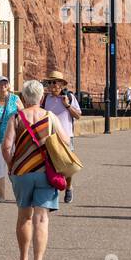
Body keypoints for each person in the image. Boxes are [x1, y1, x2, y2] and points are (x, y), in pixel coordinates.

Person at [1, 79, 69, 260]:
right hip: (45, 173)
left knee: (24, 216)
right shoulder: (50, 117)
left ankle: (23, 259)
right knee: (41, 219)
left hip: (22, 172)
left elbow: (6, 147)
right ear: (41, 97)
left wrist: (11, 166)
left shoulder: (16, 117)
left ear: (23, 97)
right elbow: (64, 142)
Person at [41, 70, 82, 204]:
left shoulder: (69, 97)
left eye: (54, 82)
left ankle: (69, 187)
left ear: (61, 85)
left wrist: (67, 105)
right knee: (51, 165)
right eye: (49, 82)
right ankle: (54, 189)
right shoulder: (46, 98)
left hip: (66, 136)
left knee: (67, 164)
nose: (51, 85)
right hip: (50, 136)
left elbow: (78, 115)